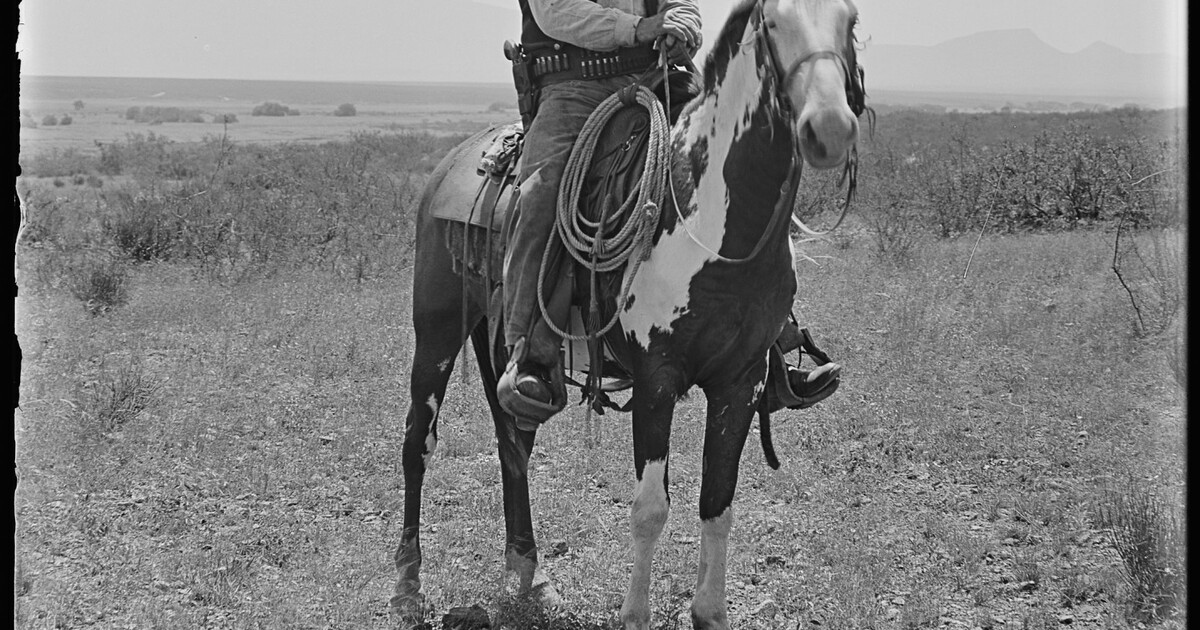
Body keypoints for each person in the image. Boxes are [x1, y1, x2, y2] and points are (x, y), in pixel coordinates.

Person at [498, 0, 840, 424]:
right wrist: (639, 28)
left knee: (737, 157)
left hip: (659, 74)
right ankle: (529, 353)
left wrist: (683, 25)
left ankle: (769, 343)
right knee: (539, 194)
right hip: (573, 86)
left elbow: (680, 3)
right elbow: (555, 12)